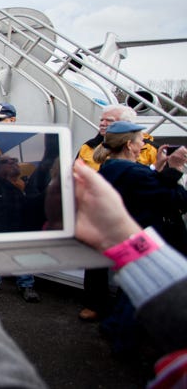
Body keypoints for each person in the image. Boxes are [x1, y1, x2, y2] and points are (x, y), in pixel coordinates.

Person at [0, 160, 187, 389]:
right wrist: (124, 239)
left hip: (17, 230)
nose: (11, 166)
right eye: (5, 163)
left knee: (23, 267)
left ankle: (25, 283)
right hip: (0, 229)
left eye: (14, 162)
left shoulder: (25, 185)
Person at [93, 120, 187, 355]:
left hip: (128, 237)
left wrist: (159, 168)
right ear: (128, 144)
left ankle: (112, 326)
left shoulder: (110, 167)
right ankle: (124, 343)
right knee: (140, 293)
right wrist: (175, 169)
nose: (143, 144)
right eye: (140, 140)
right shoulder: (134, 172)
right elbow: (175, 198)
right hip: (145, 238)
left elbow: (146, 188)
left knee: (131, 289)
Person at [0, 102, 41, 303]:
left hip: (20, 201)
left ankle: (26, 283)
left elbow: (36, 172)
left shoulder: (28, 141)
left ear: (12, 120)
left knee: (22, 243)